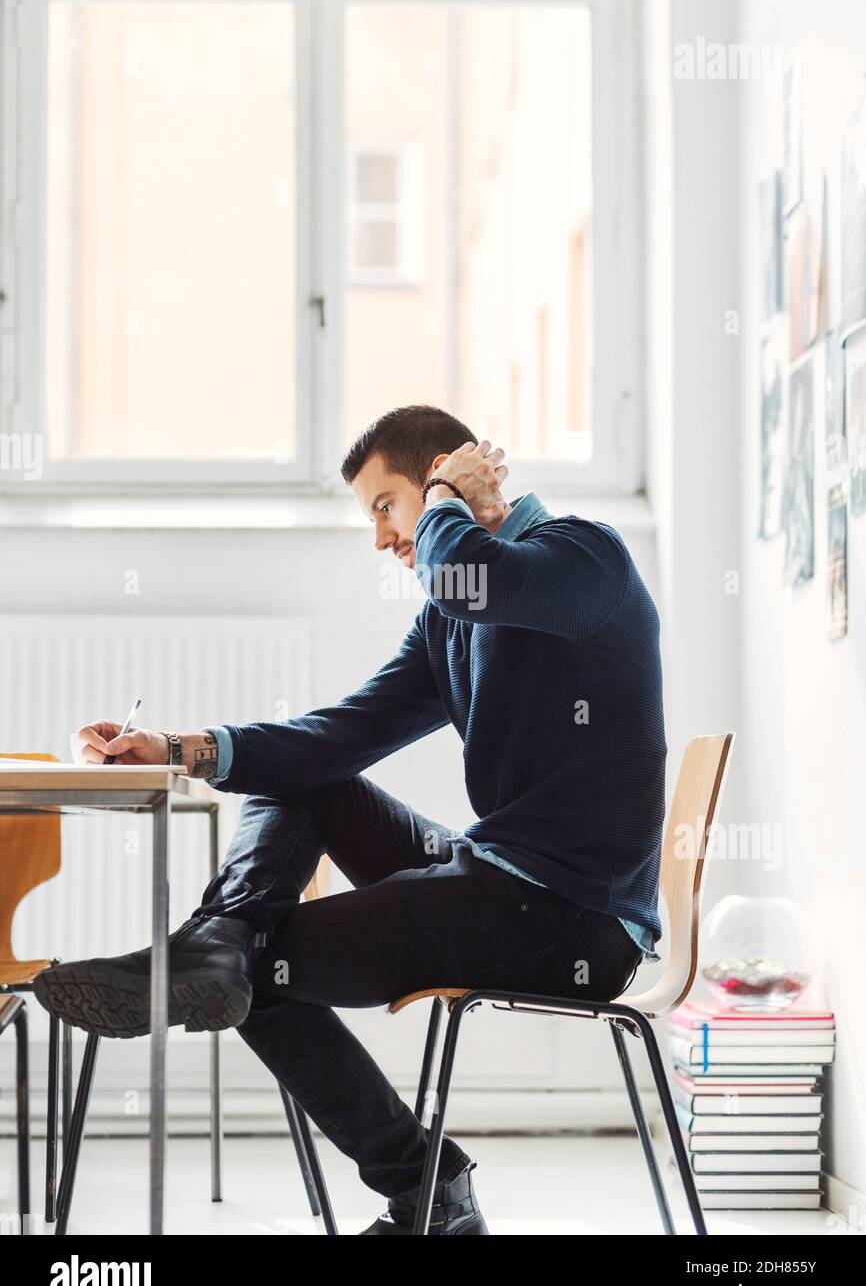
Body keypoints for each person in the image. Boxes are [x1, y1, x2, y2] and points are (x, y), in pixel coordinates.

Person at [34, 405, 667, 1236]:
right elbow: (335, 735)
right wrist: (178, 746)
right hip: (494, 876)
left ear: (446, 476)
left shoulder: (585, 559)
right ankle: (217, 938)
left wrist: (441, 495)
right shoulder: (449, 621)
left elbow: (466, 578)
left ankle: (426, 1189)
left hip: (575, 920)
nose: (381, 539)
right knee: (308, 783)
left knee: (250, 978)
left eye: (385, 507)